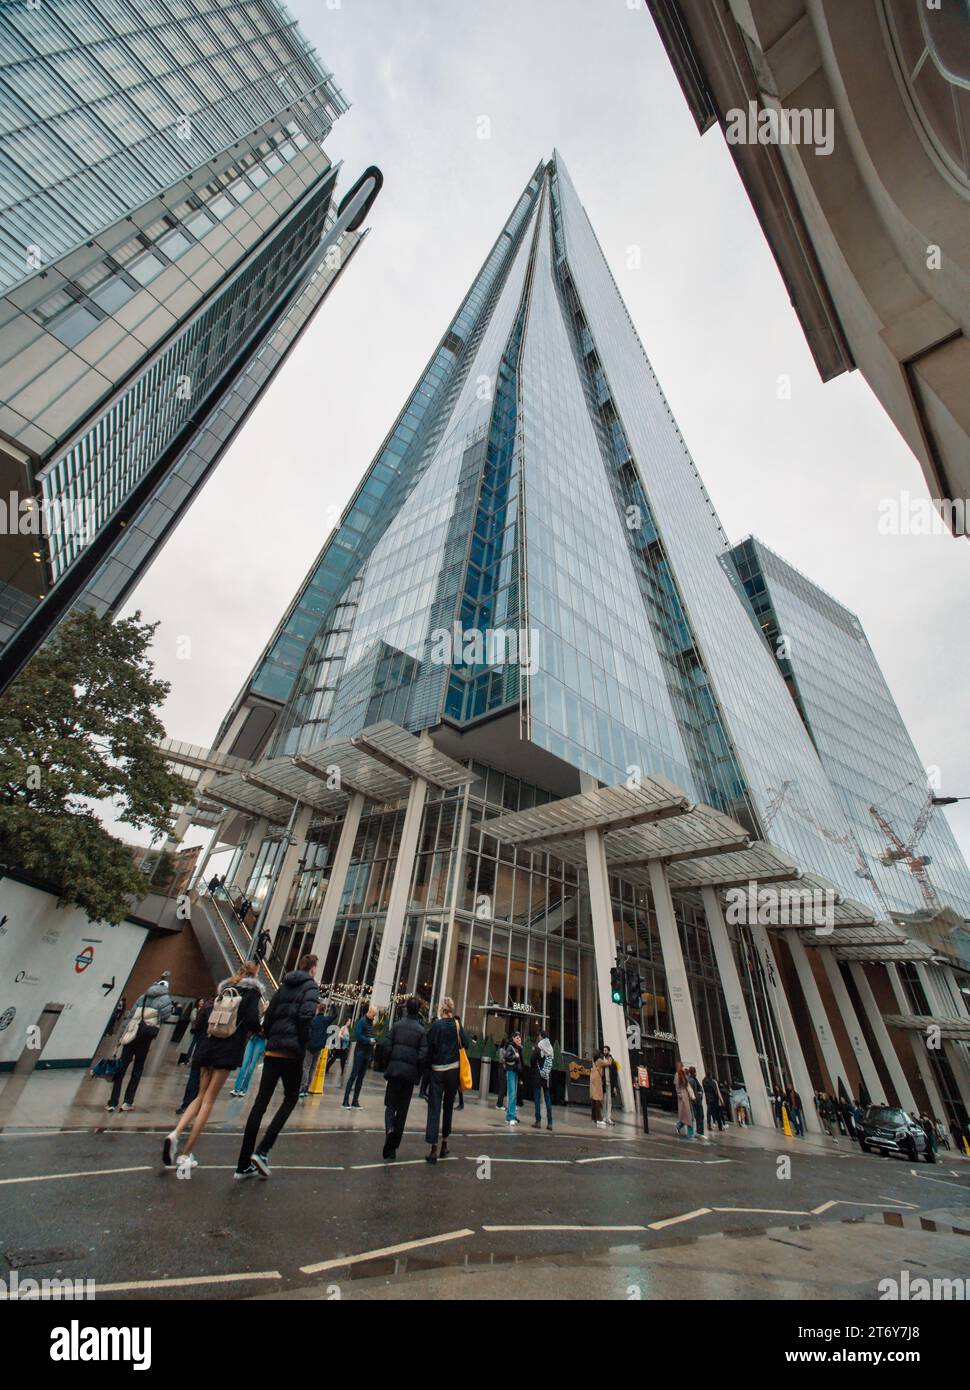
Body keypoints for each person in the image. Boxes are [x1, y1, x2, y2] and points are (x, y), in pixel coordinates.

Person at [163, 963, 262, 1171]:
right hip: (228, 1046)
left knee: (199, 1095)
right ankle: (186, 1153)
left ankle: (176, 1133)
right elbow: (253, 1021)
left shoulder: (225, 989)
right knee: (209, 1100)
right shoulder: (252, 993)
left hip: (208, 1044)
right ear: (254, 975)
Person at [234, 954, 320, 1180]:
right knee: (291, 1097)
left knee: (260, 1104)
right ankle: (263, 1150)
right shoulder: (311, 987)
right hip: (291, 1053)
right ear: (312, 969)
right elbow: (306, 1016)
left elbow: (269, 1016)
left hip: (272, 1050)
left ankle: (243, 1163)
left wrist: (271, 1036)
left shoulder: (283, 987)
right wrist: (302, 1042)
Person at [107, 978, 174, 1112]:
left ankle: (113, 1102)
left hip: (132, 1034)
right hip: (145, 1037)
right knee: (137, 1070)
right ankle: (128, 1102)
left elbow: (131, 1014)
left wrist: (122, 1035)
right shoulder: (166, 999)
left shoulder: (143, 996)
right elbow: (165, 1016)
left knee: (121, 1067)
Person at [424, 996, 469, 1163]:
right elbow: (465, 1043)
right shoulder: (456, 1025)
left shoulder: (436, 1025)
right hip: (453, 1071)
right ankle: (444, 1144)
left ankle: (433, 1148)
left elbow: (430, 1046)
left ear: (441, 1009)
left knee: (434, 1107)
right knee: (448, 1106)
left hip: (438, 1070)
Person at [382, 997, 427, 1160]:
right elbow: (422, 1055)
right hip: (409, 1076)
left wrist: (388, 1064)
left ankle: (389, 1131)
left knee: (390, 1105)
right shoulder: (421, 1031)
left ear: (407, 1008)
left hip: (394, 1072)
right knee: (402, 1110)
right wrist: (418, 1073)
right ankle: (393, 1145)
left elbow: (387, 1047)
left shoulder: (397, 1025)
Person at [176, 998, 214, 1114]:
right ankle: (198, 1106)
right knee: (208, 1078)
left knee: (194, 1074)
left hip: (201, 1043)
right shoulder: (231, 1009)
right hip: (216, 1047)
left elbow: (196, 1026)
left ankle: (186, 1104)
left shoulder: (208, 1006)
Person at [342, 1006, 377, 1109]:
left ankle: (355, 1100)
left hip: (367, 1052)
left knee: (360, 1078)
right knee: (354, 1076)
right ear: (369, 1012)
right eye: (373, 1015)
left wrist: (374, 1039)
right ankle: (345, 1100)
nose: (374, 1017)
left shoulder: (370, 1022)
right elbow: (358, 1036)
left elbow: (370, 1034)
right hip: (360, 1052)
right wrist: (369, 1040)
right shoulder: (361, 1021)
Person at [300, 999, 335, 1097]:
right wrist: (333, 1005)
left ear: (318, 1010)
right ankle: (307, 1088)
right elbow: (335, 1015)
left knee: (306, 1067)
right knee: (313, 1067)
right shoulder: (326, 1020)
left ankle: (303, 1087)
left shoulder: (313, 1020)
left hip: (310, 1046)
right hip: (319, 1047)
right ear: (324, 1011)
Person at [532, 1030, 554, 1131]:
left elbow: (532, 1060)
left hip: (537, 1076)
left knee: (537, 1099)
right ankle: (550, 1123)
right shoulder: (550, 1048)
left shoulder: (538, 1047)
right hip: (547, 1077)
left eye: (539, 1035)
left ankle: (538, 1121)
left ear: (541, 1037)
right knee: (548, 1099)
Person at [502, 1031, 524, 1126]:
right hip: (511, 1071)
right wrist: (515, 1056)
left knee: (514, 1094)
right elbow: (506, 1057)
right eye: (517, 1038)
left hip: (515, 1072)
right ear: (513, 1039)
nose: (519, 1039)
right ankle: (509, 1117)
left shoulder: (517, 1048)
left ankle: (512, 1115)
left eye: (520, 1038)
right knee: (512, 1094)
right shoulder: (511, 1047)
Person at [674, 1061, 695, 1138]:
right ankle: (690, 1134)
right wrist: (680, 1096)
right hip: (683, 1097)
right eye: (682, 1066)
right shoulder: (677, 1075)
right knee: (688, 1116)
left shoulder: (684, 1074)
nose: (683, 1067)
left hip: (687, 1096)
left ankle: (678, 1125)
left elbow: (687, 1083)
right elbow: (677, 1087)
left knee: (688, 1116)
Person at [590, 1050, 608, 1127]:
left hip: (593, 1077)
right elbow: (608, 1063)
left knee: (594, 1098)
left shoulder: (593, 1061)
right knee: (597, 1098)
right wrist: (610, 1058)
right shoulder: (600, 1061)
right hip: (597, 1078)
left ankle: (593, 1117)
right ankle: (599, 1119)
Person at [687, 1065, 705, 1138]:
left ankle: (699, 1132)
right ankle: (699, 1132)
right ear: (694, 1072)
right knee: (699, 1116)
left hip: (696, 1100)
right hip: (696, 1101)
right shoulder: (692, 1080)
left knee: (697, 1116)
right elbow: (692, 1091)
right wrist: (699, 1094)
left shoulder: (693, 1079)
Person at [602, 1046, 618, 1126]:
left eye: (605, 1050)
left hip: (610, 1084)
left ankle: (608, 1117)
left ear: (609, 1051)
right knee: (604, 1101)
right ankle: (604, 1117)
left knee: (609, 1102)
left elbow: (615, 1075)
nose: (604, 1051)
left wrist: (615, 1086)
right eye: (603, 1050)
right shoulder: (602, 1061)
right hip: (604, 1084)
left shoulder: (613, 1062)